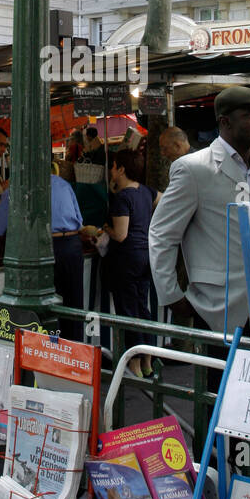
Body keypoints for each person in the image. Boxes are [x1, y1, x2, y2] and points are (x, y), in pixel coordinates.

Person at [148, 86, 250, 338]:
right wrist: (171, 295)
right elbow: (162, 234)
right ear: (225, 122)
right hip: (216, 305)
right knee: (217, 376)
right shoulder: (193, 169)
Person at [0, 171, 85, 336]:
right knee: (73, 310)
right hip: (72, 247)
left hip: (44, 248)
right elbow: (79, 223)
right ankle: (75, 355)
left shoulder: (18, 188)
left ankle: (48, 354)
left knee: (45, 313)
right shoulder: (63, 184)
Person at [98, 148, 157, 377]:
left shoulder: (123, 198)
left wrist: (105, 229)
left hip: (126, 259)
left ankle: (134, 363)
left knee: (128, 311)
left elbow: (121, 234)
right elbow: (163, 198)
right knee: (143, 307)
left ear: (121, 169)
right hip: (144, 255)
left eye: (113, 166)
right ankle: (148, 361)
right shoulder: (145, 192)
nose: (111, 170)